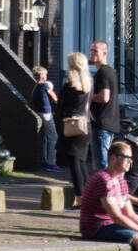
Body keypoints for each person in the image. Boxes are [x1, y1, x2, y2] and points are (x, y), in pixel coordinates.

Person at [57, 52, 92, 198]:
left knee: (74, 163)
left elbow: (62, 105)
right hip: (84, 125)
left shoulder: (70, 85)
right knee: (82, 162)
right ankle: (87, 195)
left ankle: (80, 198)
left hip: (72, 126)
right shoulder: (87, 84)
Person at [89, 38, 120, 170]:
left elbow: (104, 97)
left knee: (101, 165)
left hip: (102, 124)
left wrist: (87, 98)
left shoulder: (103, 72)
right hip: (107, 124)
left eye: (95, 51)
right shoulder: (109, 71)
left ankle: (104, 190)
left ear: (105, 53)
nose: (92, 53)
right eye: (91, 51)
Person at [31, 65, 60, 172]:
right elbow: (53, 96)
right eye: (46, 75)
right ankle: (51, 163)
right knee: (53, 137)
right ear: (43, 76)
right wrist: (57, 100)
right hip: (46, 114)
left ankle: (45, 161)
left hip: (39, 112)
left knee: (45, 138)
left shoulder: (35, 86)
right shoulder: (44, 85)